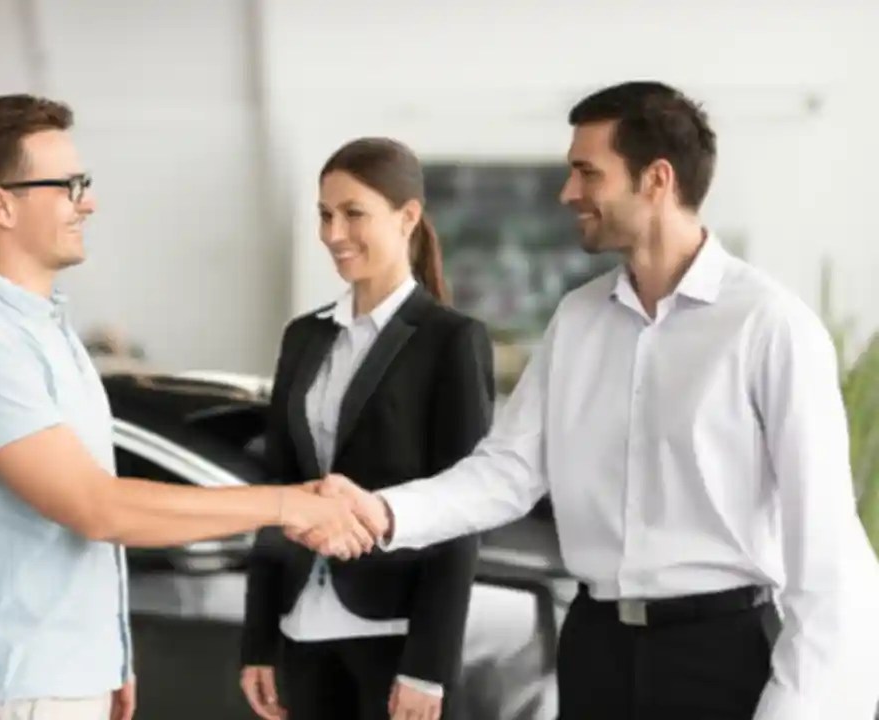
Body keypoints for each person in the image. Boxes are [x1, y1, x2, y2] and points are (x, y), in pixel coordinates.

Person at [304, 81, 879, 720]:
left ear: (656, 180)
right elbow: (509, 471)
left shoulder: (769, 325)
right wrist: (382, 512)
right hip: (596, 646)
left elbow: (826, 554)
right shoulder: (577, 319)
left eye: (587, 173)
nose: (568, 193)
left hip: (723, 653)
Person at [0, 93, 374, 720]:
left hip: (58, 674)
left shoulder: (38, 327)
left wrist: (107, 661)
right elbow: (95, 506)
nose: (88, 201)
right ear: (1, 204)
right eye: (69, 185)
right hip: (18, 680)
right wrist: (288, 504)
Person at [239, 137, 496, 720]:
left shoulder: (450, 340)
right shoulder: (305, 338)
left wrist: (429, 667)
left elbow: (463, 509)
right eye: (325, 214)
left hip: (396, 634)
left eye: (353, 213)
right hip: (301, 626)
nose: (333, 233)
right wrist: (258, 639)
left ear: (407, 217)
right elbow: (275, 490)